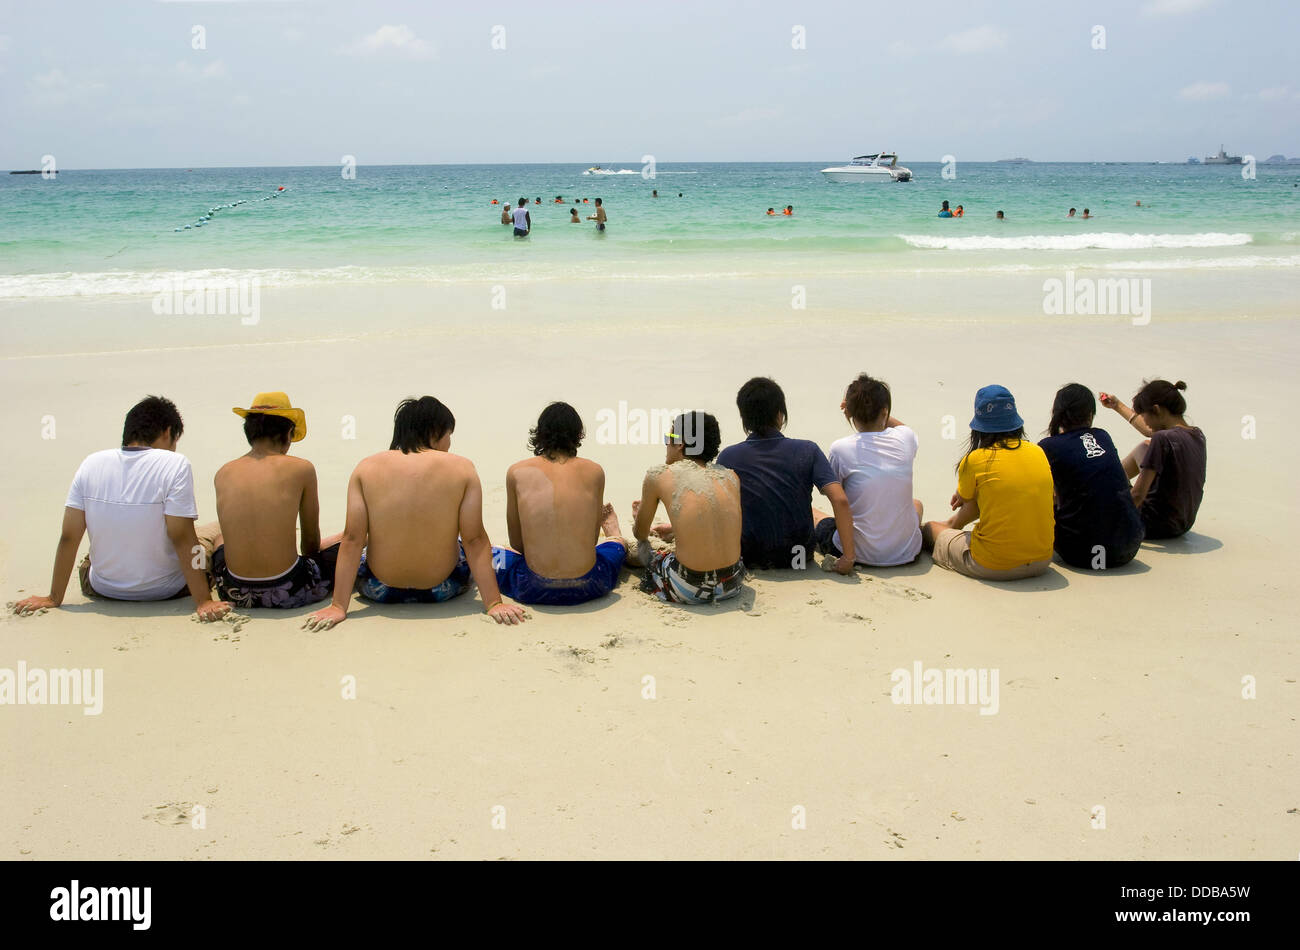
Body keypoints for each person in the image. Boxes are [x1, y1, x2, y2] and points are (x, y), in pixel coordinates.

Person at [302, 397, 527, 630]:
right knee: (475, 546)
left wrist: (338, 606)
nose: (449, 443)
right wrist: (493, 603)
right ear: (435, 431)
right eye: (449, 434)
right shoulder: (462, 468)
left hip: (377, 589)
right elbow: (474, 539)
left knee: (366, 540)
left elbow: (352, 539)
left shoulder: (365, 468)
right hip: (443, 589)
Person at [12, 396, 230, 621]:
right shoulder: (175, 464)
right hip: (170, 590)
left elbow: (69, 536)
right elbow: (182, 537)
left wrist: (53, 597)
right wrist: (203, 600)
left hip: (101, 588)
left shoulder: (90, 463)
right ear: (167, 432)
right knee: (211, 533)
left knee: (101, 544)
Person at [211, 392, 341, 609]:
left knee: (219, 539)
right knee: (347, 540)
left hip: (233, 590)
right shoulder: (302, 468)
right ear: (288, 432)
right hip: (289, 589)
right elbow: (309, 540)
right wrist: (314, 562)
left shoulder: (223, 472)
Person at [491, 402, 627, 606]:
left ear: (540, 434)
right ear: (579, 435)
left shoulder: (516, 472)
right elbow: (590, 542)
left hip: (531, 587)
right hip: (590, 585)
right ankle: (614, 534)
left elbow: (517, 544)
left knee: (489, 553)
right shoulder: (595, 471)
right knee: (618, 546)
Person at [716, 377, 855, 573]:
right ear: (780, 414)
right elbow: (840, 500)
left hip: (751, 556)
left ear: (744, 418)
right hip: (798, 557)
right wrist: (848, 557)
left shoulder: (729, 456)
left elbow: (716, 507)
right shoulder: (808, 450)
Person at [921, 385, 1054, 580]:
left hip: (994, 565)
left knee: (929, 529)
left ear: (979, 427)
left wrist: (966, 494)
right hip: (1042, 561)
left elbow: (970, 504)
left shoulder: (975, 459)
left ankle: (949, 527)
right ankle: (951, 527)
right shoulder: (1038, 452)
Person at [633, 412, 745, 604]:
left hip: (689, 586)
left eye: (669, 438)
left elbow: (641, 534)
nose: (666, 444)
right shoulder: (730, 477)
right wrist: (676, 529)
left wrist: (638, 518)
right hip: (733, 582)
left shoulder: (658, 475)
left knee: (648, 554)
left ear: (680, 444)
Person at [814, 375, 923, 567]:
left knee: (818, 517)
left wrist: (853, 408)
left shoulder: (841, 449)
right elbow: (903, 427)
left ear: (848, 414)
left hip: (859, 553)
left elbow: (837, 496)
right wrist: (880, 411)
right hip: (907, 552)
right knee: (917, 504)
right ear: (885, 412)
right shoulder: (905, 439)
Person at [1037, 384, 1144, 569]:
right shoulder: (1103, 436)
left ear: (1058, 414)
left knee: (1046, 494)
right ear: (1090, 415)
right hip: (1128, 546)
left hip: (1081, 553)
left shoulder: (1048, 446)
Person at [1100, 380, 1205, 539]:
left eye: (1144, 415)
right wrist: (1117, 405)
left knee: (1107, 484)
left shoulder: (1162, 439)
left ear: (1156, 410)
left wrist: (1110, 525)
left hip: (1154, 525)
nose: (1146, 423)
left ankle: (1105, 484)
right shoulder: (1197, 434)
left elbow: (1137, 496)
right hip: (1182, 523)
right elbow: (1147, 430)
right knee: (1144, 447)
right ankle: (1108, 481)